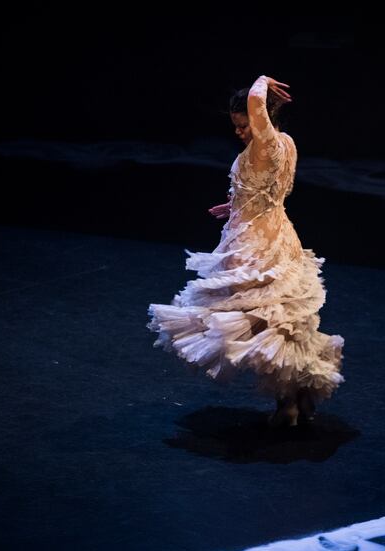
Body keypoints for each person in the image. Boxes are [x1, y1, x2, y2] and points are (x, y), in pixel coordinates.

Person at [147, 75, 345, 428]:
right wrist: (236, 203)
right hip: (278, 234)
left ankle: (288, 403)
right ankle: (298, 396)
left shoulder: (266, 142)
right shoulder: (287, 143)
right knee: (283, 322)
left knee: (262, 325)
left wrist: (261, 82)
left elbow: (257, 108)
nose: (240, 132)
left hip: (255, 247)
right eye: (236, 127)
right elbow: (270, 191)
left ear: (261, 118)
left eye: (243, 125)